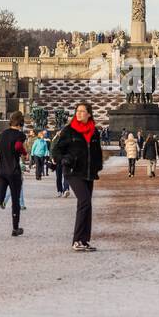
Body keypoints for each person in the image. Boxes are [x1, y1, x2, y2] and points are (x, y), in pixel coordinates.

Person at [50, 101, 104, 251]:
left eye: (82, 111)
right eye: (77, 111)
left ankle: (84, 240)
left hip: (88, 172)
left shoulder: (94, 132)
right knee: (85, 200)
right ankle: (77, 240)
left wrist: (98, 166)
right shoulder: (69, 130)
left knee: (87, 204)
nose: (79, 113)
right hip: (73, 171)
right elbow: (56, 150)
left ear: (89, 114)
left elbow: (97, 152)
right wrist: (63, 160)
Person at [0, 111, 27, 237]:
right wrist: (24, 153)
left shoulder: (2, 134)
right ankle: (15, 228)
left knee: (0, 196)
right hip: (13, 170)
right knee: (15, 199)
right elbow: (18, 146)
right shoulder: (20, 135)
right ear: (20, 122)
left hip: (1, 170)